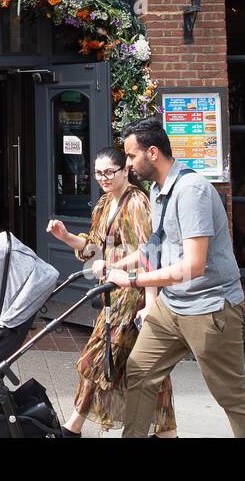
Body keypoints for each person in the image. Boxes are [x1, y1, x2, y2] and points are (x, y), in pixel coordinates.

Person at [114, 119, 245, 438]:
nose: (127, 164)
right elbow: (158, 246)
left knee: (231, 396)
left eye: (130, 155)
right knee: (139, 372)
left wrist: (136, 281)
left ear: (152, 153)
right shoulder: (157, 191)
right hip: (172, 307)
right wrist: (115, 263)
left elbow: (194, 264)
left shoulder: (191, 191)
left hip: (210, 309)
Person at [46, 146, 176, 438]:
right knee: (145, 368)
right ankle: (168, 433)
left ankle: (72, 427)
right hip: (114, 294)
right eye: (98, 173)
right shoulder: (105, 204)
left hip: (135, 295)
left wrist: (151, 302)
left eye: (109, 172)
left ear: (125, 170)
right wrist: (65, 236)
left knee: (97, 359)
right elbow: (94, 250)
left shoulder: (137, 203)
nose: (103, 178)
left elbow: (149, 253)